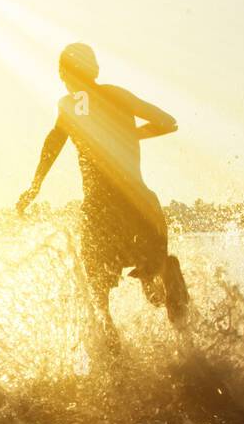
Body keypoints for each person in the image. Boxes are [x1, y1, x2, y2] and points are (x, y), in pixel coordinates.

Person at [16, 42, 188, 340]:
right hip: (140, 201)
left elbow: (54, 141)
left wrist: (35, 186)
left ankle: (113, 364)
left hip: (100, 209)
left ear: (66, 73)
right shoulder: (116, 95)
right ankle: (192, 353)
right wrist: (130, 133)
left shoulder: (69, 105)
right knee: (156, 280)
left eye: (62, 73)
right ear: (93, 69)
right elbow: (168, 122)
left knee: (99, 299)